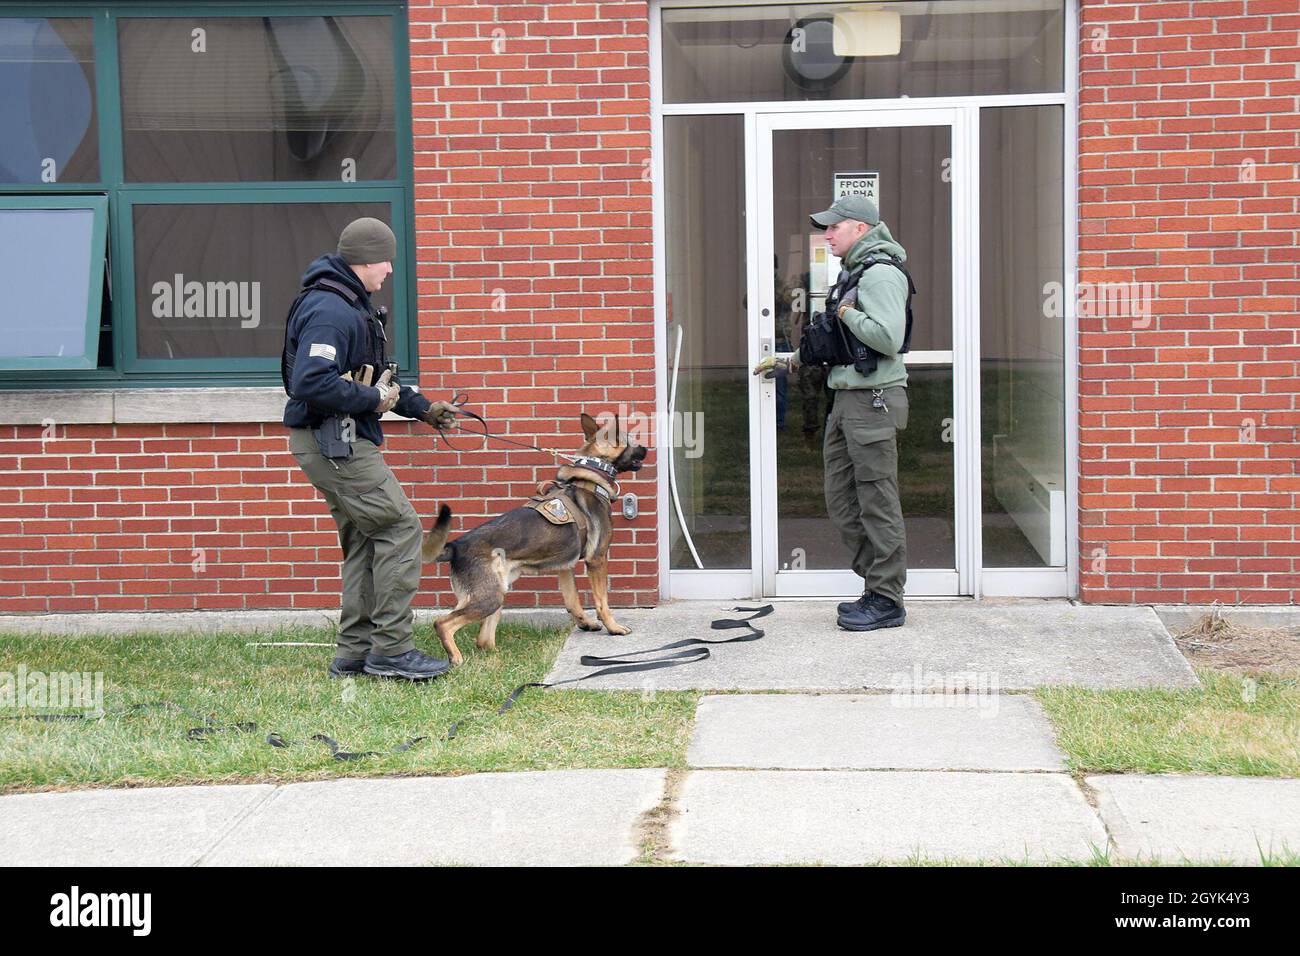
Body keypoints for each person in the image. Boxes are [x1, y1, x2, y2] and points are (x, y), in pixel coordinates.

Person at [282, 217, 458, 679]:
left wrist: (423, 408)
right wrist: (370, 400)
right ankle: (392, 651)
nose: (390, 270)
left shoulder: (348, 303)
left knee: (365, 539)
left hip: (331, 442)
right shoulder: (331, 310)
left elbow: (377, 379)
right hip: (335, 443)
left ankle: (355, 653)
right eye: (386, 261)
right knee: (400, 529)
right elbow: (310, 382)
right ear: (366, 260)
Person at [754, 195, 910, 631]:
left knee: (876, 501)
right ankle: (874, 587)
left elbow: (888, 337)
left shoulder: (880, 274)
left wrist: (845, 312)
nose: (826, 235)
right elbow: (839, 343)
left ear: (860, 228)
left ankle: (887, 598)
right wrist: (790, 361)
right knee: (842, 501)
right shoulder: (853, 273)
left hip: (873, 401)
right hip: (846, 400)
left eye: (834, 227)